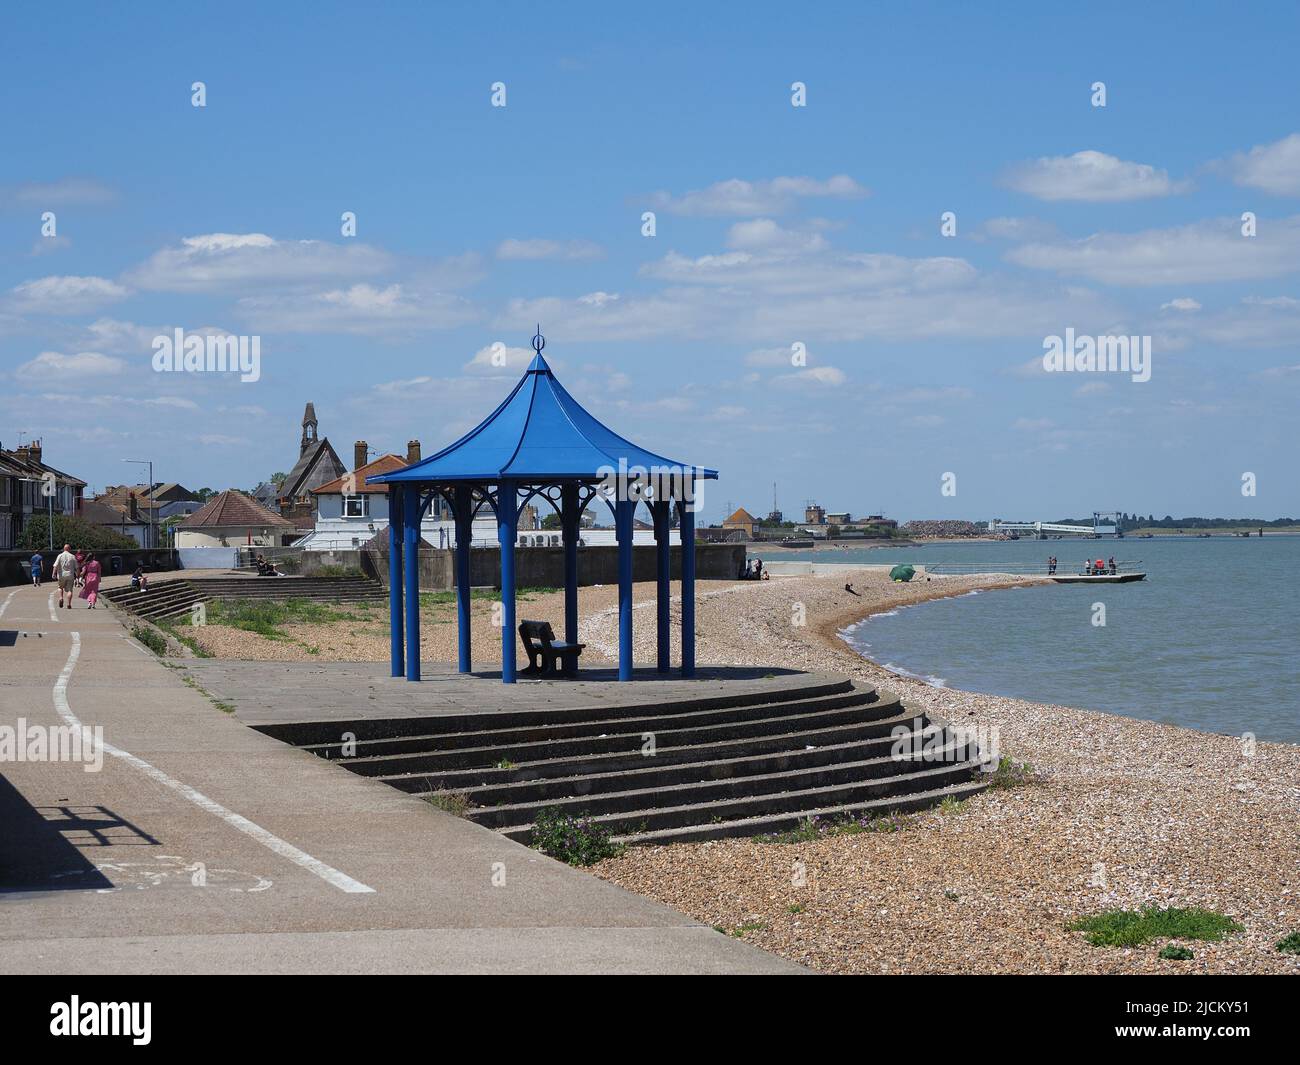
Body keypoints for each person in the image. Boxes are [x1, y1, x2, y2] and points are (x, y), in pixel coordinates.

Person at [52, 544, 79, 608]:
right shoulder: (72, 556)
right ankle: (69, 604)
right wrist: (78, 575)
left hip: (61, 575)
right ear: (69, 549)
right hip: (70, 575)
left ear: (64, 549)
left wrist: (53, 573)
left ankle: (61, 598)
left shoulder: (60, 556)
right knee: (70, 590)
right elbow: (77, 567)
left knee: (60, 587)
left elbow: (55, 565)